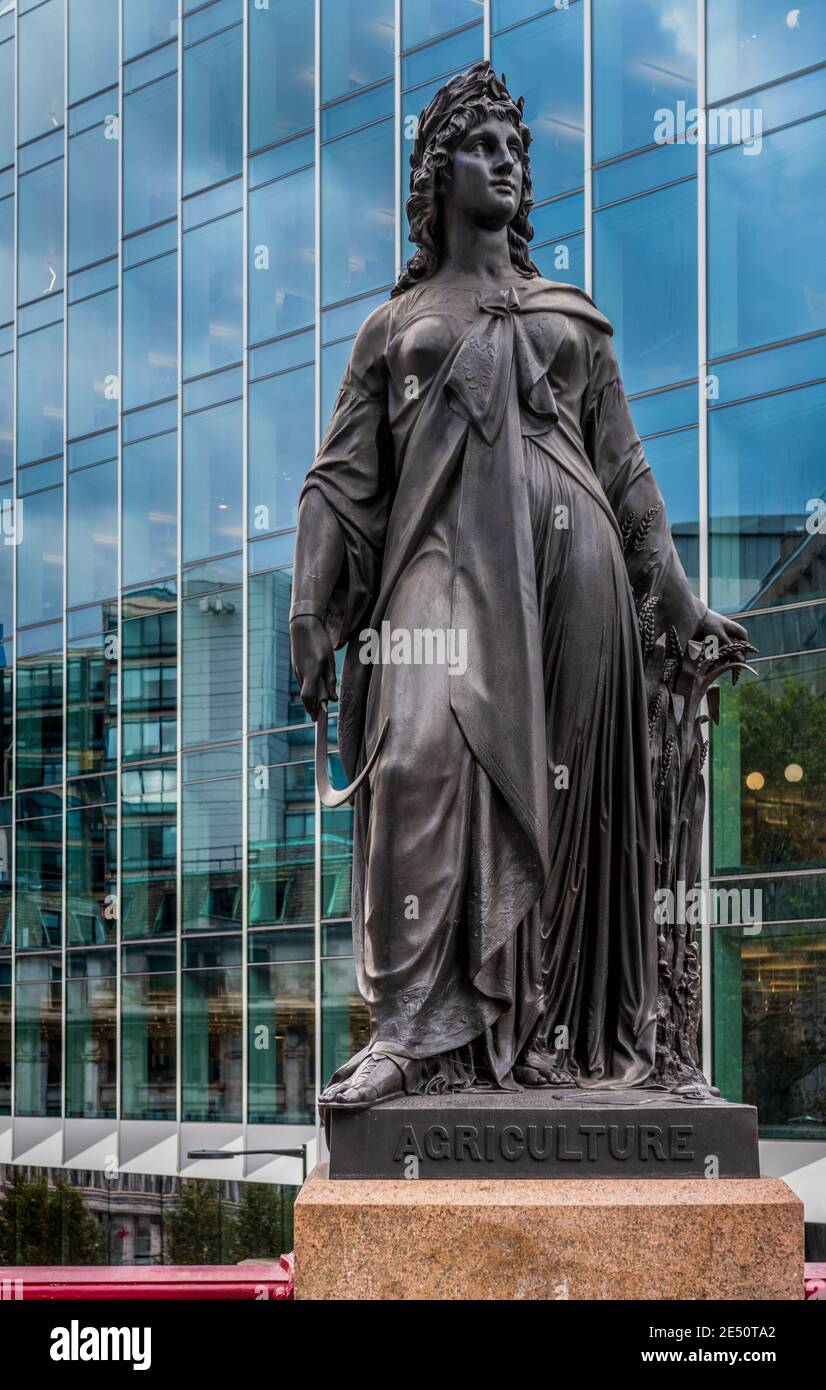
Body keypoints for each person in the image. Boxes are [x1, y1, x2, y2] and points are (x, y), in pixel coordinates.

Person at [290, 62, 746, 1109]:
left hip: (576, 575)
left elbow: (626, 471)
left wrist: (677, 605)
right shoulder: (392, 329)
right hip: (444, 575)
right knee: (417, 753)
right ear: (435, 172)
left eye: (514, 150)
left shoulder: (569, 317)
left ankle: (564, 1043)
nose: (503, 164)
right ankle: (415, 1029)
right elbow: (343, 483)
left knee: (572, 806)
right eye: (480, 147)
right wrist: (312, 609)